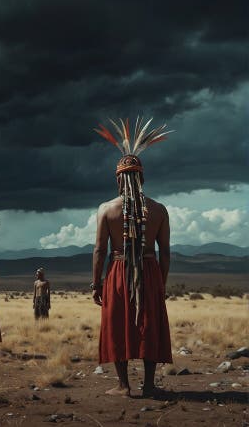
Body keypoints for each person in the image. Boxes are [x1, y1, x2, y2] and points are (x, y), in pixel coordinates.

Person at [92, 118, 173, 398]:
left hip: (117, 271)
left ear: (118, 178)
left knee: (117, 324)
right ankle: (149, 385)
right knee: (149, 323)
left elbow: (100, 250)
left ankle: (123, 386)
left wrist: (96, 284)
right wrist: (160, 283)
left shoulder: (106, 209)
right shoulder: (159, 210)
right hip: (150, 270)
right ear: (142, 177)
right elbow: (165, 251)